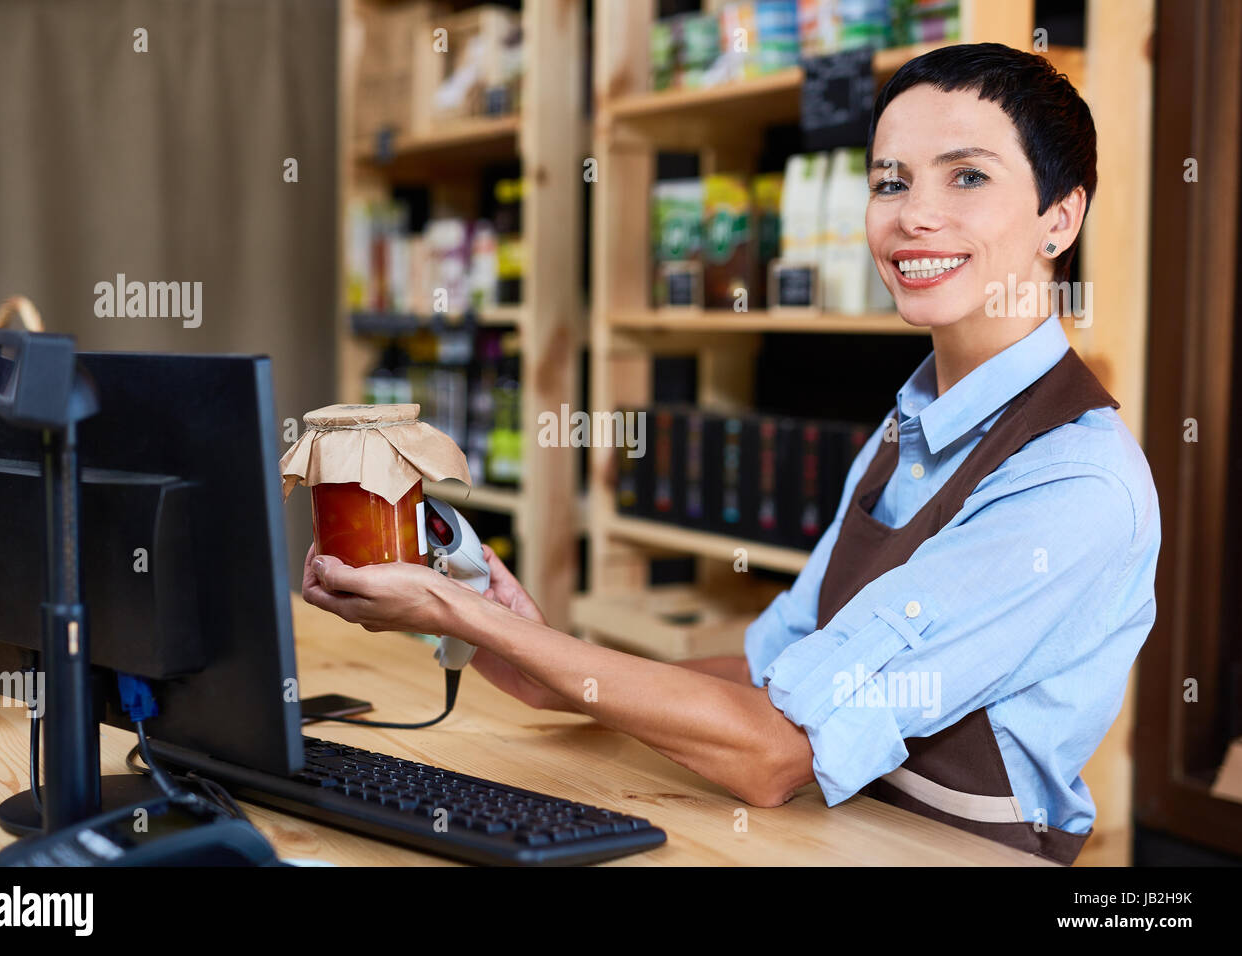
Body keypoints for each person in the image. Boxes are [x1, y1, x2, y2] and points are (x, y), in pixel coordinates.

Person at [303, 42, 1159, 865]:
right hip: (834, 837)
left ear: (1061, 216)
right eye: (889, 181)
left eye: (966, 176)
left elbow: (777, 750)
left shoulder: (1072, 483)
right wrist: (538, 661)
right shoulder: (912, 426)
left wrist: (465, 618)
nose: (914, 215)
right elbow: (772, 670)